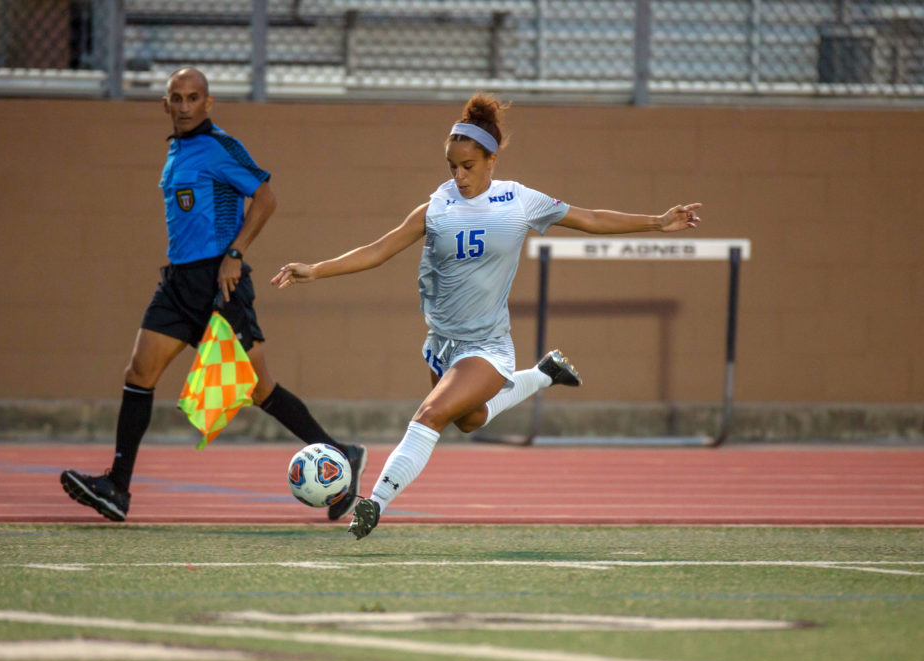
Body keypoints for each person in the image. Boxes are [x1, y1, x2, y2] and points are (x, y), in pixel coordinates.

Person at [271, 92, 701, 540]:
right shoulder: (436, 207)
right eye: (452, 167)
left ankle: (373, 504)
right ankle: (542, 374)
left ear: (491, 159)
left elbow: (590, 218)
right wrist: (315, 270)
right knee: (470, 420)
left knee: (429, 415)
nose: (459, 176)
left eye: (468, 166)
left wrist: (657, 221)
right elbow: (379, 250)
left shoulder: (520, 201)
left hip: (488, 346)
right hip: (441, 343)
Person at [60, 67, 366, 523]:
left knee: (260, 389)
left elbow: (265, 197)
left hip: (220, 283)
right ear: (165, 104)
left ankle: (341, 455)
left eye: (193, 98)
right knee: (139, 372)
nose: (184, 106)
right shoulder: (177, 151)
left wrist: (236, 254)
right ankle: (117, 488)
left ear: (208, 102)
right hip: (178, 284)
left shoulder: (220, 147)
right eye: (176, 98)